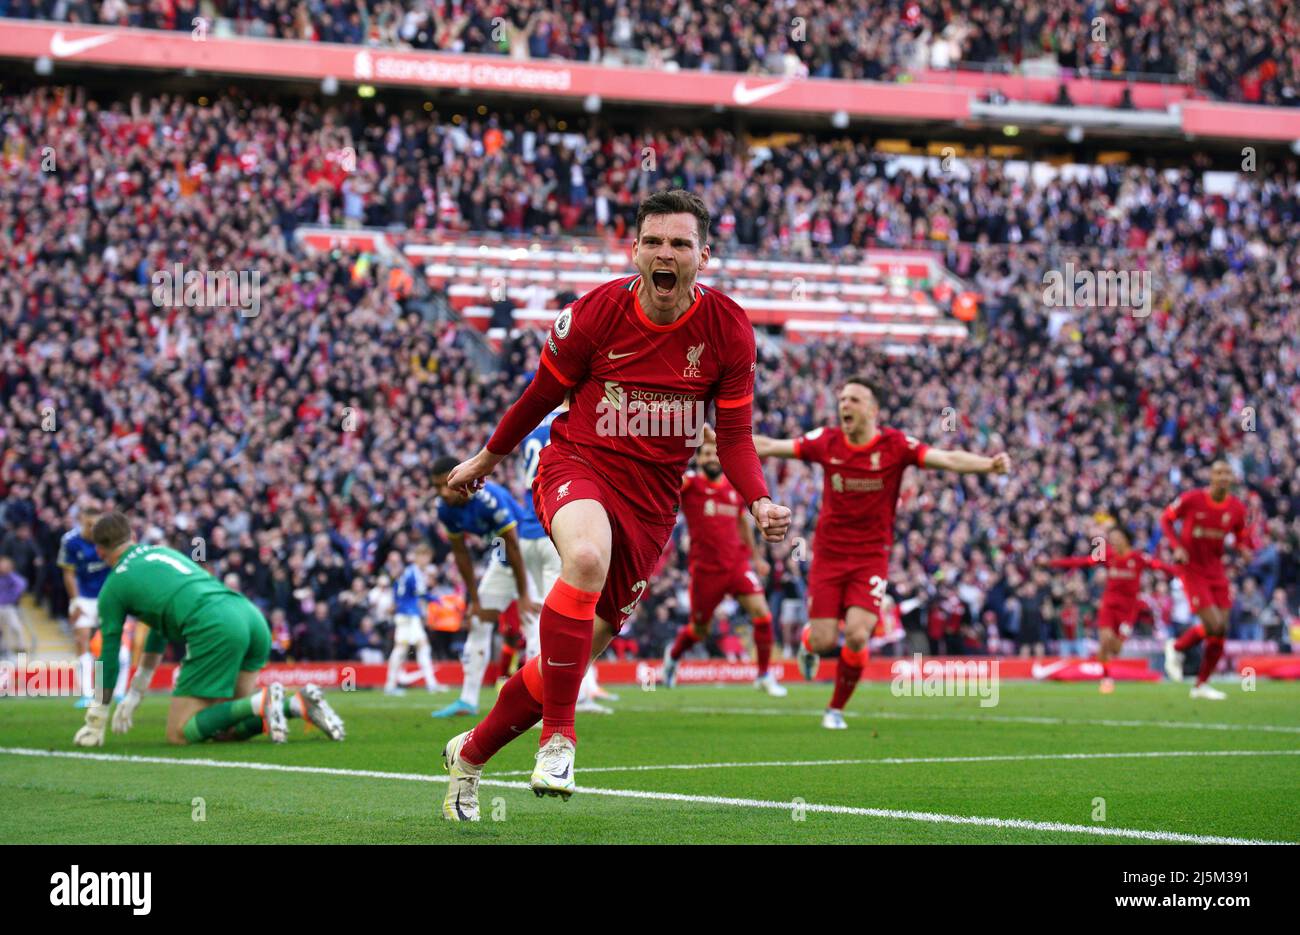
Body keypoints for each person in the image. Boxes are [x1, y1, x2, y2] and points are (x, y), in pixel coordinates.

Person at [438, 189, 791, 818]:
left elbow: (734, 436)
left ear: (702, 257)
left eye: (679, 243)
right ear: (634, 249)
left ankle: (469, 757)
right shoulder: (596, 312)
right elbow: (539, 395)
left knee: (558, 669)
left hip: (653, 507)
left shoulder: (729, 329)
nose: (665, 253)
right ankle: (560, 740)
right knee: (584, 557)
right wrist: (487, 459)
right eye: (653, 241)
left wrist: (759, 499)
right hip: (579, 465)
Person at [754, 376, 1010, 729]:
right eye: (843, 399)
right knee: (825, 638)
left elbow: (946, 458)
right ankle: (808, 642)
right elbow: (771, 445)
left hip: (870, 556)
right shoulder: (826, 441)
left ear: (873, 409)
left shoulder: (896, 445)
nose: (845, 405)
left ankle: (835, 709)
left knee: (859, 634)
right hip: (828, 555)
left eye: (855, 400)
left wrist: (987, 465)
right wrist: (726, 442)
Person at [71, 511, 345, 747]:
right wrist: (136, 689)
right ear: (132, 536)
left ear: (99, 550)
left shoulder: (114, 587)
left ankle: (260, 701)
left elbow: (108, 656)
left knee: (179, 733)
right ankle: (296, 704)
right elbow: (158, 625)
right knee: (223, 726)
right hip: (248, 615)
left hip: (214, 626)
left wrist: (97, 718)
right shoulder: (163, 552)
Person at [664, 432, 786, 696]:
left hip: (737, 565)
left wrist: (755, 558)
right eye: (705, 454)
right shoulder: (692, 484)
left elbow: (743, 522)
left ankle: (764, 675)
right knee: (699, 630)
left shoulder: (733, 489)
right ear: (699, 459)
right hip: (706, 571)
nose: (710, 457)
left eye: (713, 453)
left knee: (763, 615)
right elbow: (670, 481)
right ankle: (673, 658)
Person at [429, 456, 542, 718]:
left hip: (529, 558)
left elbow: (514, 545)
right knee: (479, 622)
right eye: (435, 487)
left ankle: (539, 705)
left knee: (533, 625)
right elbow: (461, 554)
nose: (441, 493)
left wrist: (523, 594)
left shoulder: (488, 498)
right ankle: (468, 700)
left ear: (462, 479)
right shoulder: (444, 508)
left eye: (445, 485)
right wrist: (475, 601)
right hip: (502, 561)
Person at [1161, 461, 1257, 699]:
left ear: (1232, 478)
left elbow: (1240, 536)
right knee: (1214, 624)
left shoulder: (1236, 508)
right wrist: (1177, 547)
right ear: (1211, 476)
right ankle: (1176, 647)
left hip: (1216, 571)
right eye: (1218, 473)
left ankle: (1201, 685)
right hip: (1192, 570)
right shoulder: (1192, 499)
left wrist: (1244, 549)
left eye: (1227, 473)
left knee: (1221, 630)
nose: (1223, 477)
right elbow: (1166, 519)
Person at [1044, 523, 1176, 693]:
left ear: (1126, 539)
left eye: (1116, 538)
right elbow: (1083, 561)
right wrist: (1054, 563)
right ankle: (1106, 679)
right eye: (1111, 539)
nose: (1112, 542)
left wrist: (1185, 571)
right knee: (1105, 640)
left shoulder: (1138, 558)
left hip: (1128, 611)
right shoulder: (1108, 556)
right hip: (1109, 607)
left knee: (1115, 648)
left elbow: (1162, 567)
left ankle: (1106, 668)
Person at [57, 500, 113, 707]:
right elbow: (68, 574)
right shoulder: (70, 541)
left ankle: (114, 690)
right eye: (88, 524)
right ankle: (87, 694)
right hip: (84, 597)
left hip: (107, 596)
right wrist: (75, 601)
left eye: (95, 525)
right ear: (80, 522)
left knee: (114, 642)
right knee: (81, 640)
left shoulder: (109, 539)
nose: (92, 529)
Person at [384, 542, 445, 695]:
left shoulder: (407, 572)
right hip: (409, 616)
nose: (427, 561)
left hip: (405, 614)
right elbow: (420, 592)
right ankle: (392, 685)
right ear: (420, 557)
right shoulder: (415, 572)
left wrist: (397, 604)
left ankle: (393, 684)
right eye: (426, 557)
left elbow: (397, 589)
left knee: (408, 648)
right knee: (417, 647)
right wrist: (434, 599)